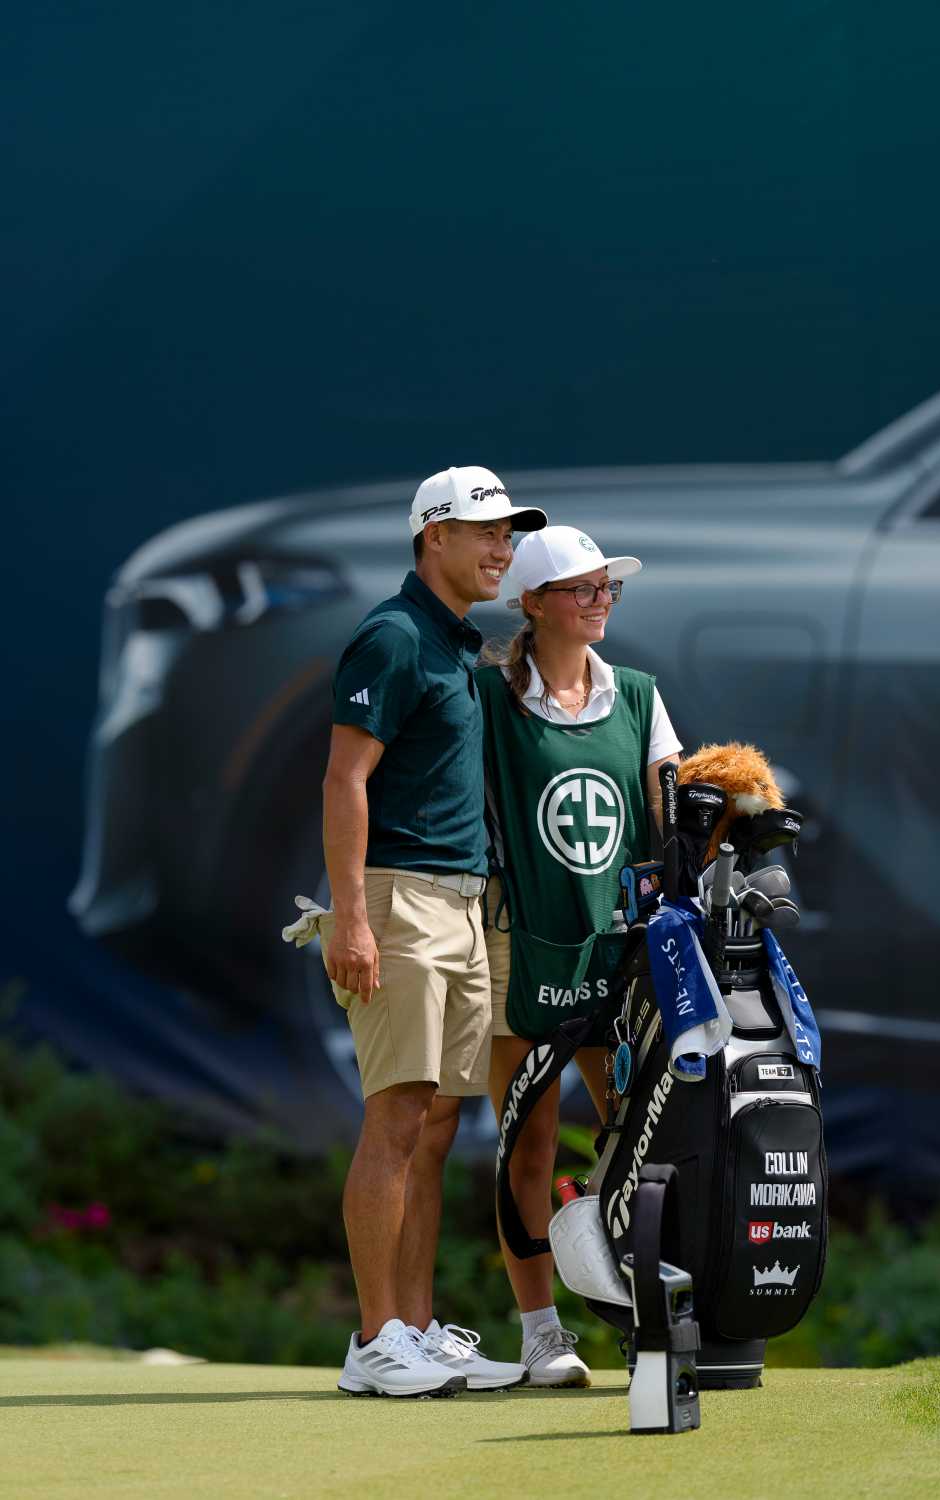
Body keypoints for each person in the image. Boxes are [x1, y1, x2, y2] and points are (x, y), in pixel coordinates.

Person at [323, 465, 547, 1398]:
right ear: (433, 539)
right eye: (484, 532)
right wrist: (350, 915)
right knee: (397, 1116)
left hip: (460, 900)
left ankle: (413, 1329)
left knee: (439, 1124)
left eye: (509, 535)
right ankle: (375, 1341)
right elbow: (345, 781)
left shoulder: (460, 644)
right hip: (398, 898)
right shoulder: (393, 636)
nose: (502, 548)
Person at [477, 525, 682, 1387]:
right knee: (527, 1146)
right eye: (582, 589)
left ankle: (653, 1317)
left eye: (608, 589)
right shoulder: (487, 696)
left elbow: (671, 809)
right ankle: (539, 1334)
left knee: (639, 1137)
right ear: (532, 603)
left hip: (618, 950)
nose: (601, 602)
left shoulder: (637, 693)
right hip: (521, 946)